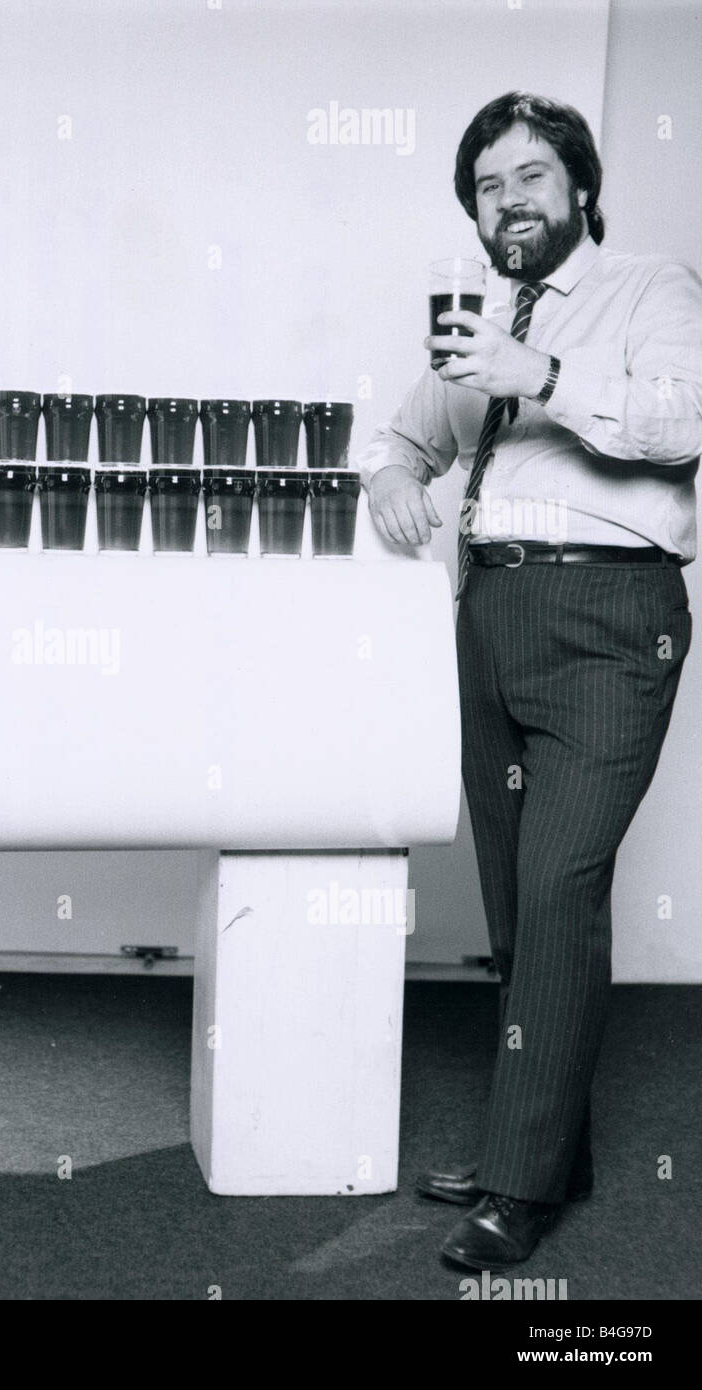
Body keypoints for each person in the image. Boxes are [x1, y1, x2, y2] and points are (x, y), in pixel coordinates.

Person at [357, 91, 701, 1271]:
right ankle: (550, 1145)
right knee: (514, 895)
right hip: (492, 611)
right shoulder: (471, 330)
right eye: (490, 185)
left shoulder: (651, 288)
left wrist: (537, 367)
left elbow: (684, 421)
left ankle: (520, 1182)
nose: (511, 200)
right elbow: (402, 439)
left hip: (610, 617)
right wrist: (395, 481)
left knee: (559, 885)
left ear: (581, 190)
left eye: (532, 176)